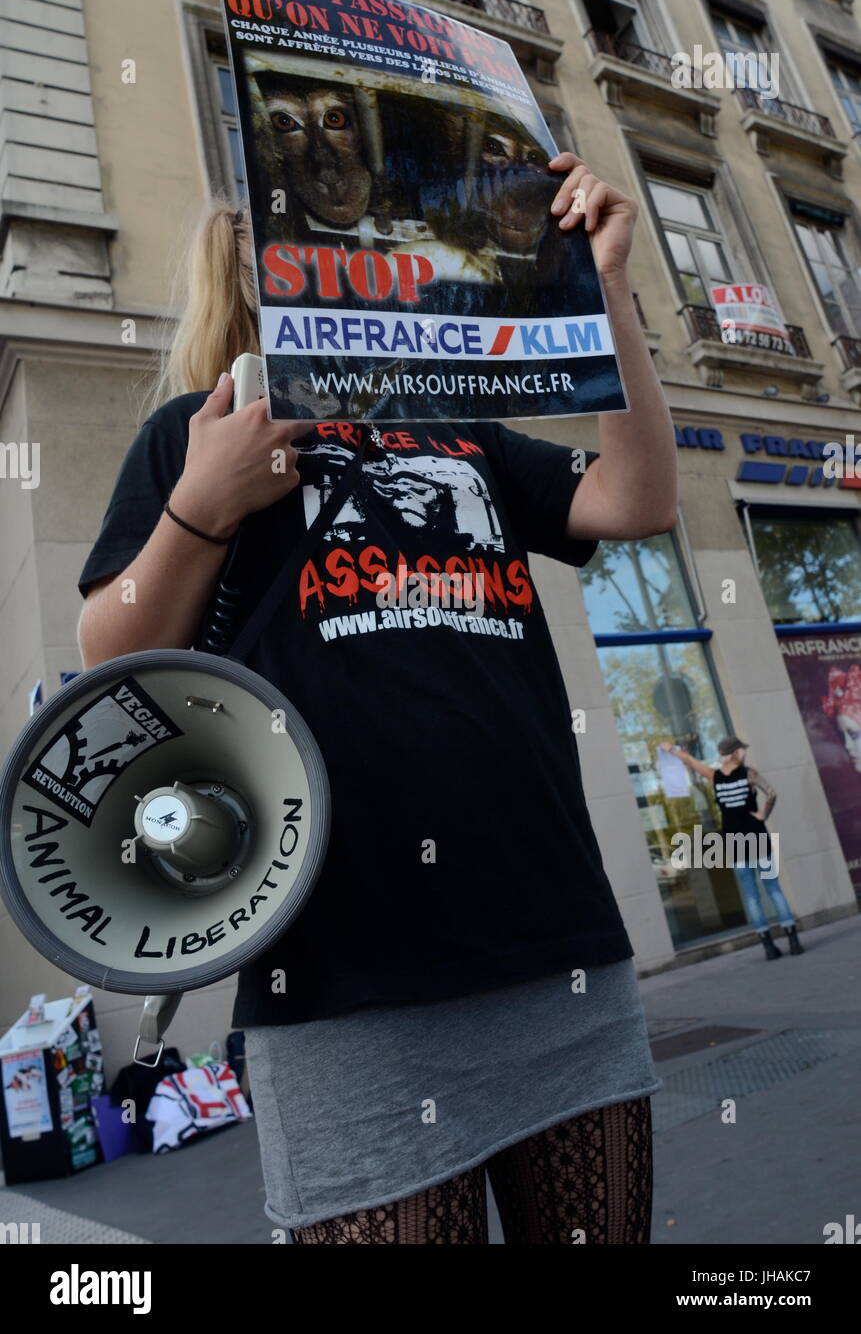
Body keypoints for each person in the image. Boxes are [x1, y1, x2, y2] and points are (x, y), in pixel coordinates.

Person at [77, 152, 677, 1245]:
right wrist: (204, 505)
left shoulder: (459, 422)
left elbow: (634, 500)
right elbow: (111, 646)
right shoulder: (198, 433)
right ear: (268, 280)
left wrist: (608, 290)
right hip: (345, 988)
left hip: (557, 954)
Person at [660, 737, 804, 960]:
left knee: (751, 896)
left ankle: (768, 947)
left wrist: (671, 750)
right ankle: (793, 941)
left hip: (734, 843)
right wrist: (763, 815)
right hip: (757, 838)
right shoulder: (749, 773)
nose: (744, 753)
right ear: (736, 752)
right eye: (742, 750)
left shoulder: (714, 776)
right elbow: (772, 793)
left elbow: (690, 760)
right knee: (773, 889)